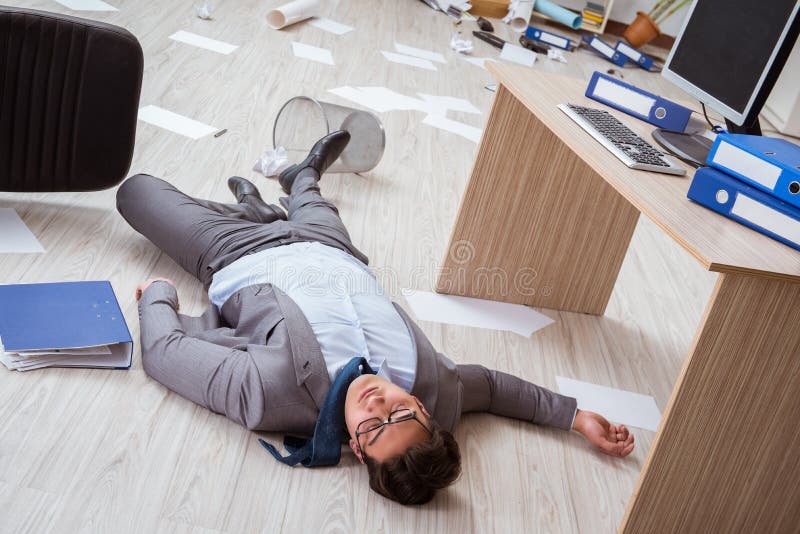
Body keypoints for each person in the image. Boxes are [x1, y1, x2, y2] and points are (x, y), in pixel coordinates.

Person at [116, 131, 634, 505]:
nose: (377, 404)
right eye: (402, 414)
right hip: (331, 248)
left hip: (237, 252)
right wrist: (574, 416)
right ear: (427, 414)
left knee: (135, 191)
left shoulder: (273, 396)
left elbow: (165, 354)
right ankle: (303, 177)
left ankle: (253, 209)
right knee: (316, 205)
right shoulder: (442, 389)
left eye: (372, 429)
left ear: (358, 453)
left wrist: (158, 297)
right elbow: (496, 389)